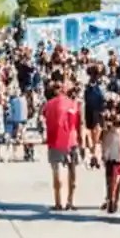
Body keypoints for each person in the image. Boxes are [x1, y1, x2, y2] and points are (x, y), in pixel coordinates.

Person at [42, 82, 84, 211]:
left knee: (57, 171)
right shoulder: (73, 104)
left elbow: (44, 119)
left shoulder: (48, 105)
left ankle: (58, 202)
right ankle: (70, 201)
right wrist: (82, 142)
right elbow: (80, 123)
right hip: (71, 139)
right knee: (72, 170)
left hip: (55, 139)